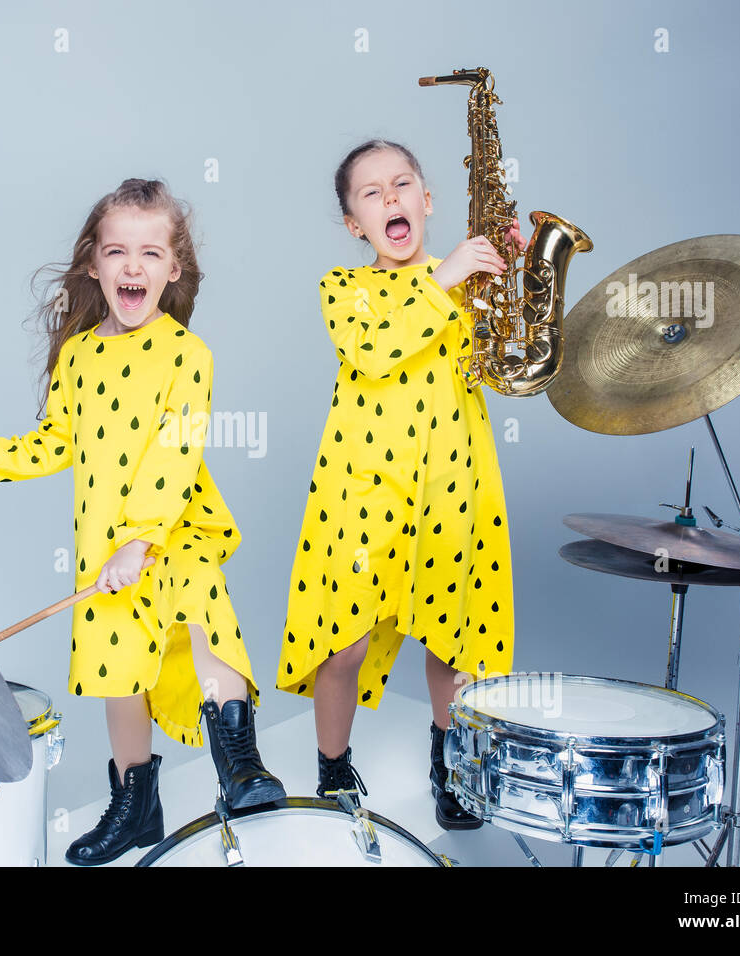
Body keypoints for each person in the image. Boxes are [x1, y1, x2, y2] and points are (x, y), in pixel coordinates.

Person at [0, 178, 284, 865]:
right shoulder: (78, 356)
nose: (134, 266)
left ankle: (242, 763)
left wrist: (142, 539)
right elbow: (57, 443)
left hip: (174, 530)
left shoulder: (188, 354)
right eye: (118, 251)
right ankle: (137, 805)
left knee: (203, 612)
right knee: (119, 667)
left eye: (150, 253)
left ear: (173, 269)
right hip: (105, 546)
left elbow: (176, 450)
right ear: (94, 265)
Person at [276, 140, 521, 830]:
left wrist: (521, 271)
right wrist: (443, 276)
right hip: (365, 491)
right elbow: (373, 349)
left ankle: (451, 770)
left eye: (402, 184)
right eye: (371, 193)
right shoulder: (344, 288)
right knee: (345, 639)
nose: (391, 199)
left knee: (452, 640)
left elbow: (518, 359)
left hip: (453, 483)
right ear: (355, 224)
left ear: (428, 200)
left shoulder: (466, 282)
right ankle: (331, 765)